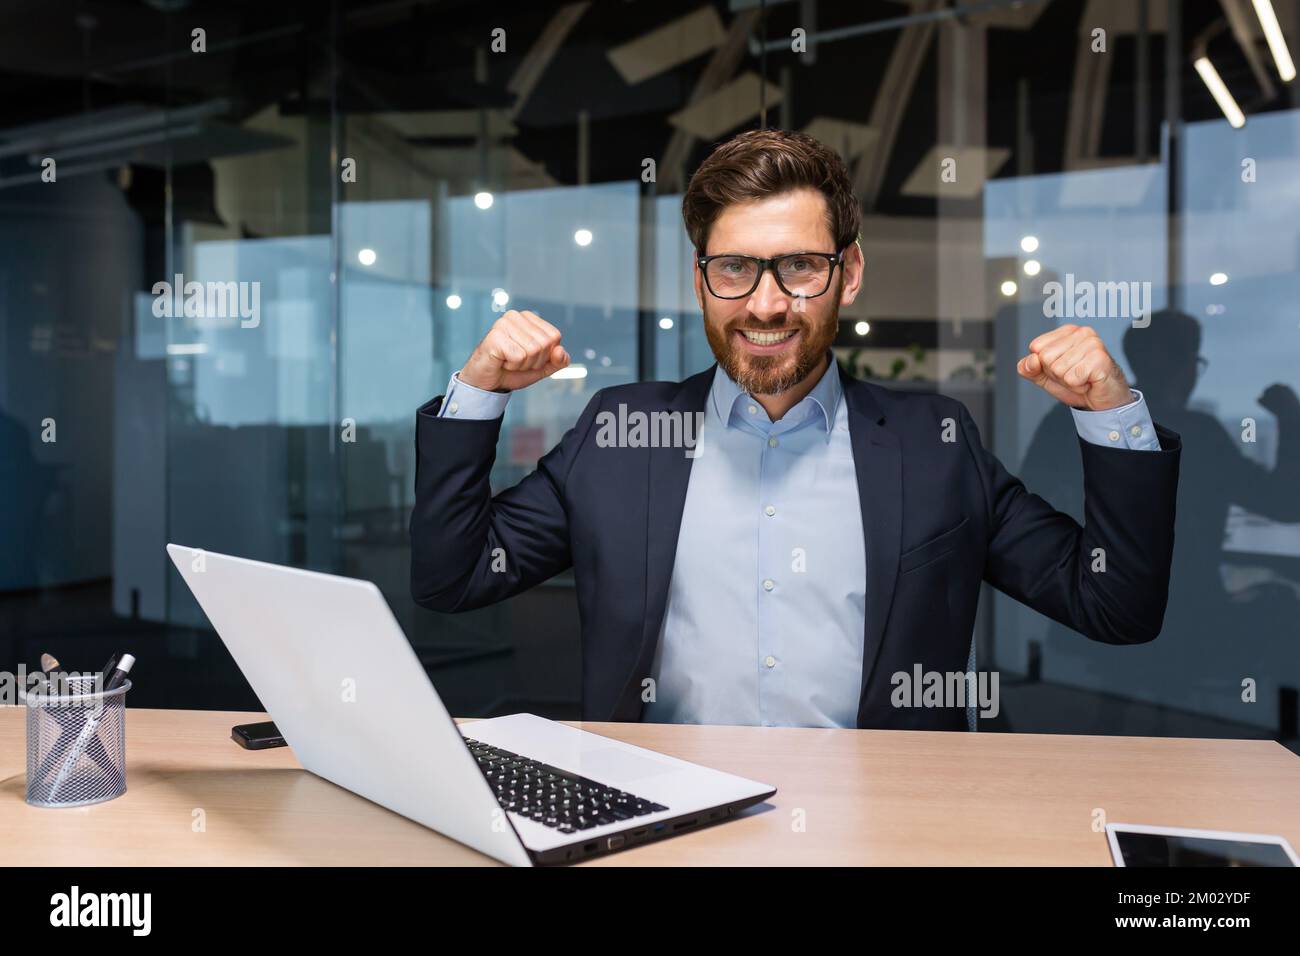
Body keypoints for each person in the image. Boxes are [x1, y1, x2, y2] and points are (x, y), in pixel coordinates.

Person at [410, 129, 1181, 730]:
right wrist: (478, 394)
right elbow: (455, 577)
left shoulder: (933, 444)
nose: (767, 304)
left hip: (881, 835)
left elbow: (1114, 605)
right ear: (701, 282)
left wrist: (1111, 414)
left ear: (848, 274)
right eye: (735, 268)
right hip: (659, 831)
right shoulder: (621, 430)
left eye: (801, 268)